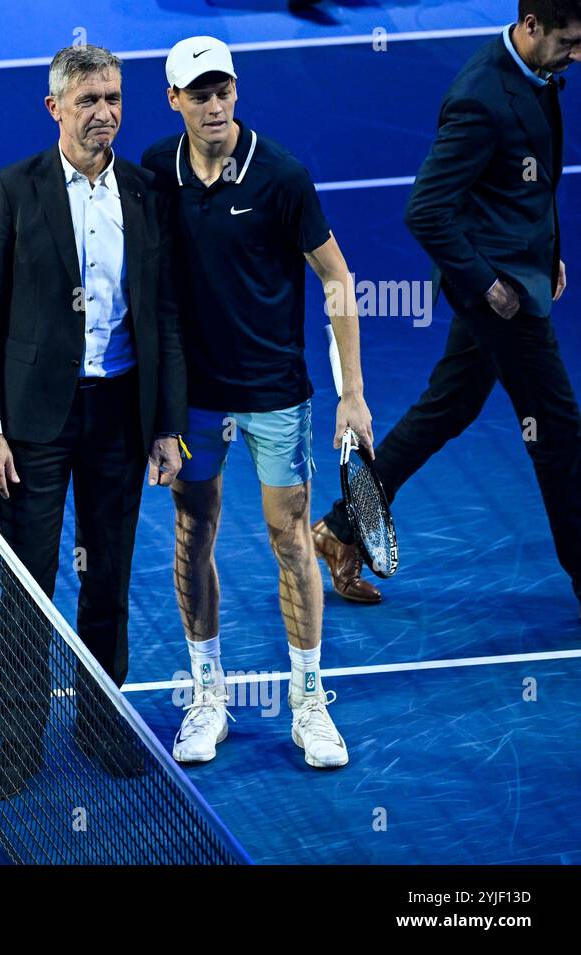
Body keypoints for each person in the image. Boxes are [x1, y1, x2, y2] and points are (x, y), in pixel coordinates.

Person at [141, 37, 372, 769]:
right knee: (193, 530)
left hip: (275, 391)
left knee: (290, 534)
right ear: (174, 99)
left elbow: (337, 278)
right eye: (199, 94)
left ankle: (308, 705)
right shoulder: (153, 171)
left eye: (224, 91)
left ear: (236, 92)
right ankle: (209, 696)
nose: (215, 105)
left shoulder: (281, 176)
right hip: (195, 395)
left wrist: (353, 393)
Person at [0, 45, 186, 797]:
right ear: (54, 107)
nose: (105, 113)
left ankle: (100, 723)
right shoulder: (11, 190)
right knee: (28, 588)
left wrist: (167, 422)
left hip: (119, 413)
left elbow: (163, 314)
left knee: (108, 578)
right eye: (88, 100)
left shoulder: (147, 191)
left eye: (115, 98)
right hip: (32, 423)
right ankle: (18, 745)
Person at [313, 0, 580, 611]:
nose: (578, 54)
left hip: (518, 271)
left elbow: (527, 184)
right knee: (560, 433)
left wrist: (547, 250)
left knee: (449, 407)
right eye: (568, 41)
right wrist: (488, 284)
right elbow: (425, 210)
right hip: (500, 297)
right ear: (531, 26)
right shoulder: (480, 98)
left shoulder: (536, 70)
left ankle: (338, 529)